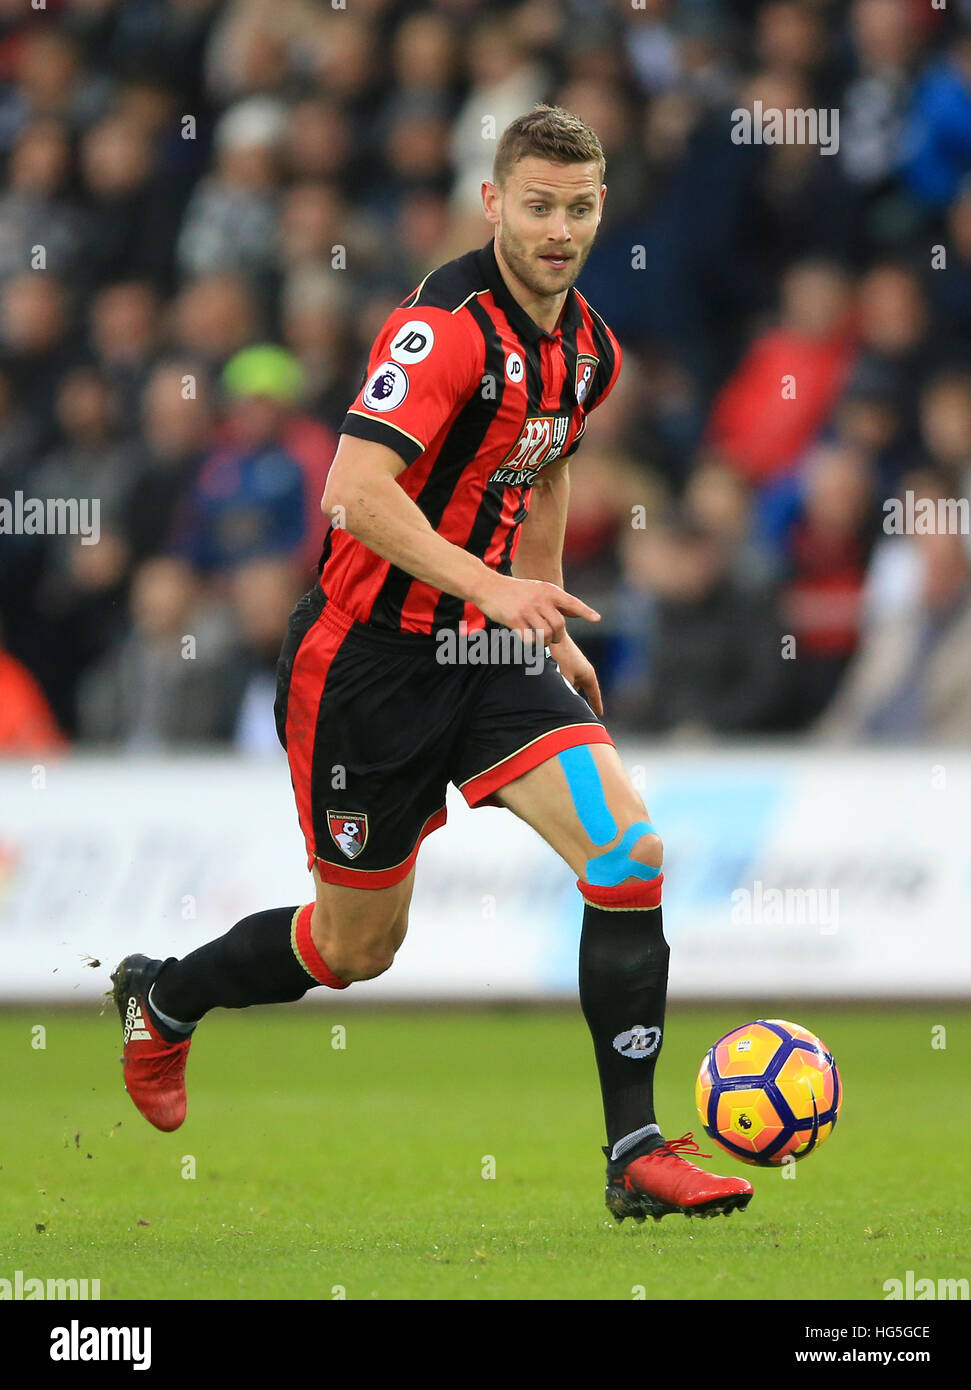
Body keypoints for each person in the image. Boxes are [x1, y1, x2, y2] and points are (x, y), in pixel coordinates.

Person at [111, 105, 752, 1225]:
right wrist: (493, 585)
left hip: (486, 651)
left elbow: (540, 467)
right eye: (538, 205)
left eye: (580, 207)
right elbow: (353, 493)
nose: (559, 229)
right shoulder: (441, 326)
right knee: (354, 949)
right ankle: (164, 999)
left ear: (602, 210)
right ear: (494, 203)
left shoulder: (588, 350)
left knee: (628, 852)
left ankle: (635, 1149)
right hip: (361, 663)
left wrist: (537, 615)